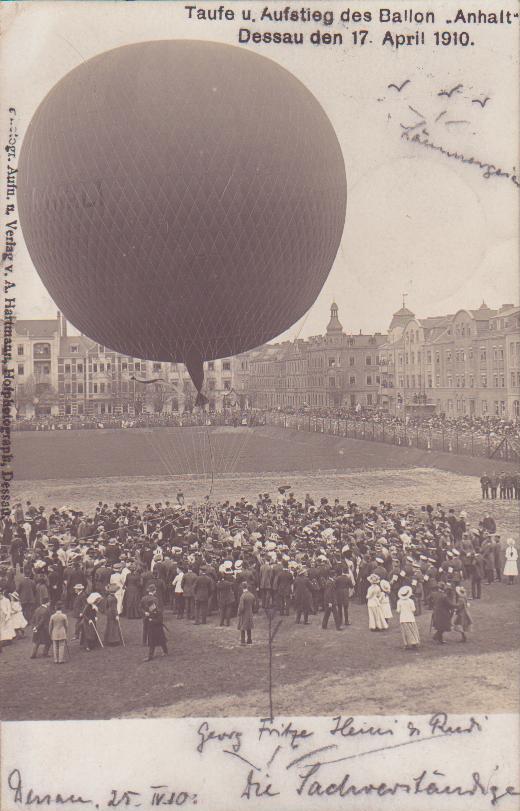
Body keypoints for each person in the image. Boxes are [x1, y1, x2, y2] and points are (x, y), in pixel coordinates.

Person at [396, 585, 420, 651]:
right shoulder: (411, 601)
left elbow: (398, 610)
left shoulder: (399, 601)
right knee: (413, 630)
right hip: (410, 617)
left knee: (405, 632)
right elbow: (413, 609)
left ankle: (406, 644)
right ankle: (414, 643)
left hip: (403, 618)